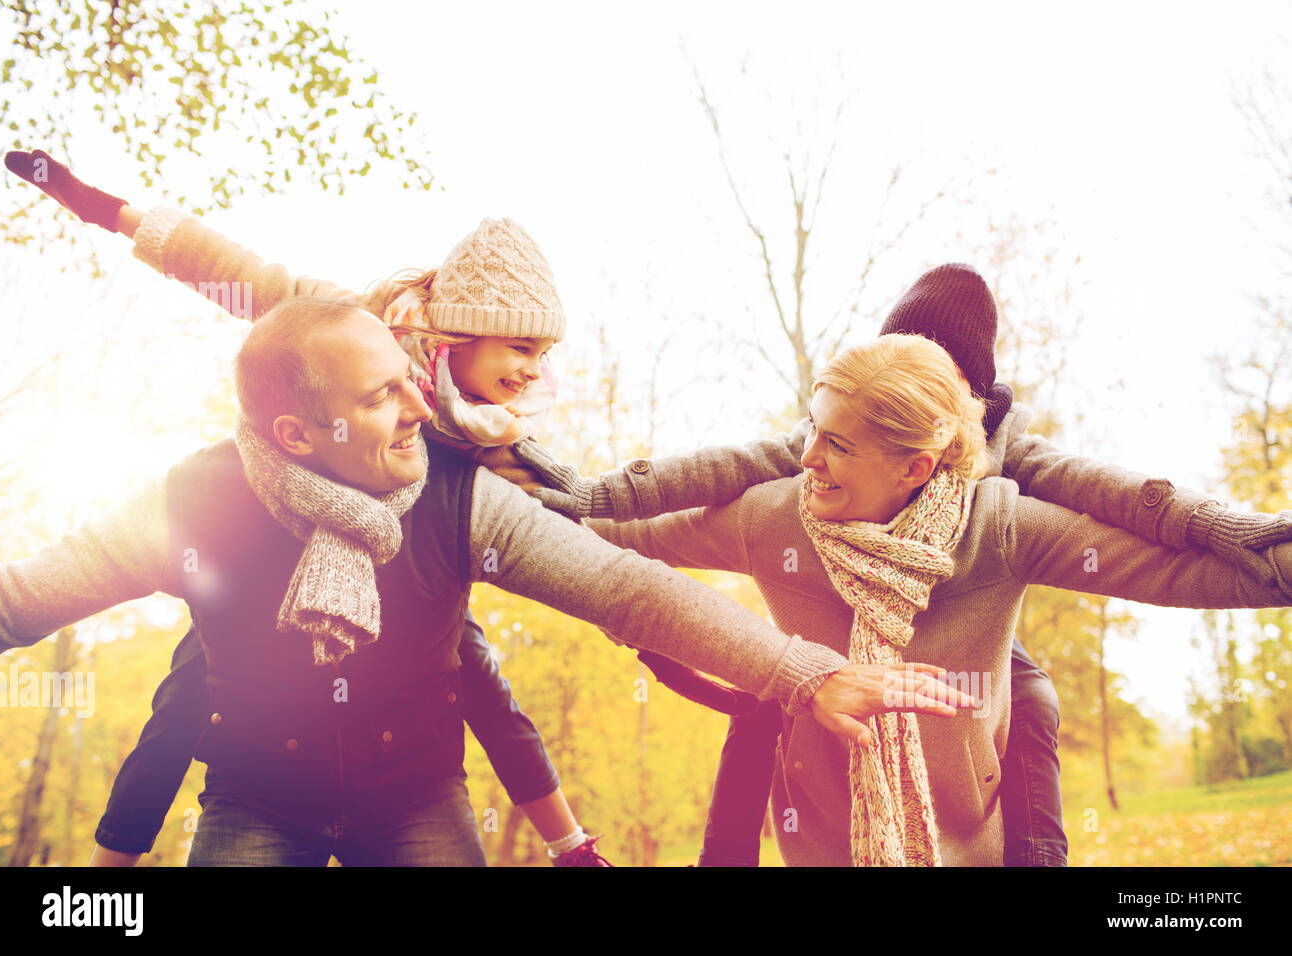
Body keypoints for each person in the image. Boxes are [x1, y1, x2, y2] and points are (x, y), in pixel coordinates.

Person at [0, 294, 978, 865]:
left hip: (414, 795)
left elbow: (626, 586)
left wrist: (800, 670)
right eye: (380, 396)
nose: (417, 408)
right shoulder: (188, 505)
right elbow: (21, 601)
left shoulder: (457, 500)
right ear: (298, 434)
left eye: (407, 378)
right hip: (256, 797)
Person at [4, 147, 753, 863]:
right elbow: (234, 272)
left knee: (476, 674)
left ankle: (567, 842)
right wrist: (103, 209)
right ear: (458, 335)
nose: (534, 371)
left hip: (412, 579)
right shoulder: (350, 327)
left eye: (544, 353)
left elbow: (595, 556)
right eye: (519, 348)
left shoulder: (496, 447)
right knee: (193, 690)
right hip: (279, 536)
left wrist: (676, 648)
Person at [512, 262, 1292, 865]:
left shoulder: (1001, 523)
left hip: (969, 844)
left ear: (919, 465)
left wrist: (1268, 556)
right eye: (812, 433)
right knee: (753, 717)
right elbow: (618, 545)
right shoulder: (772, 514)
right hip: (818, 844)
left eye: (837, 446)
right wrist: (506, 493)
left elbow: (1166, 563)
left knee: (1037, 703)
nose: (806, 458)